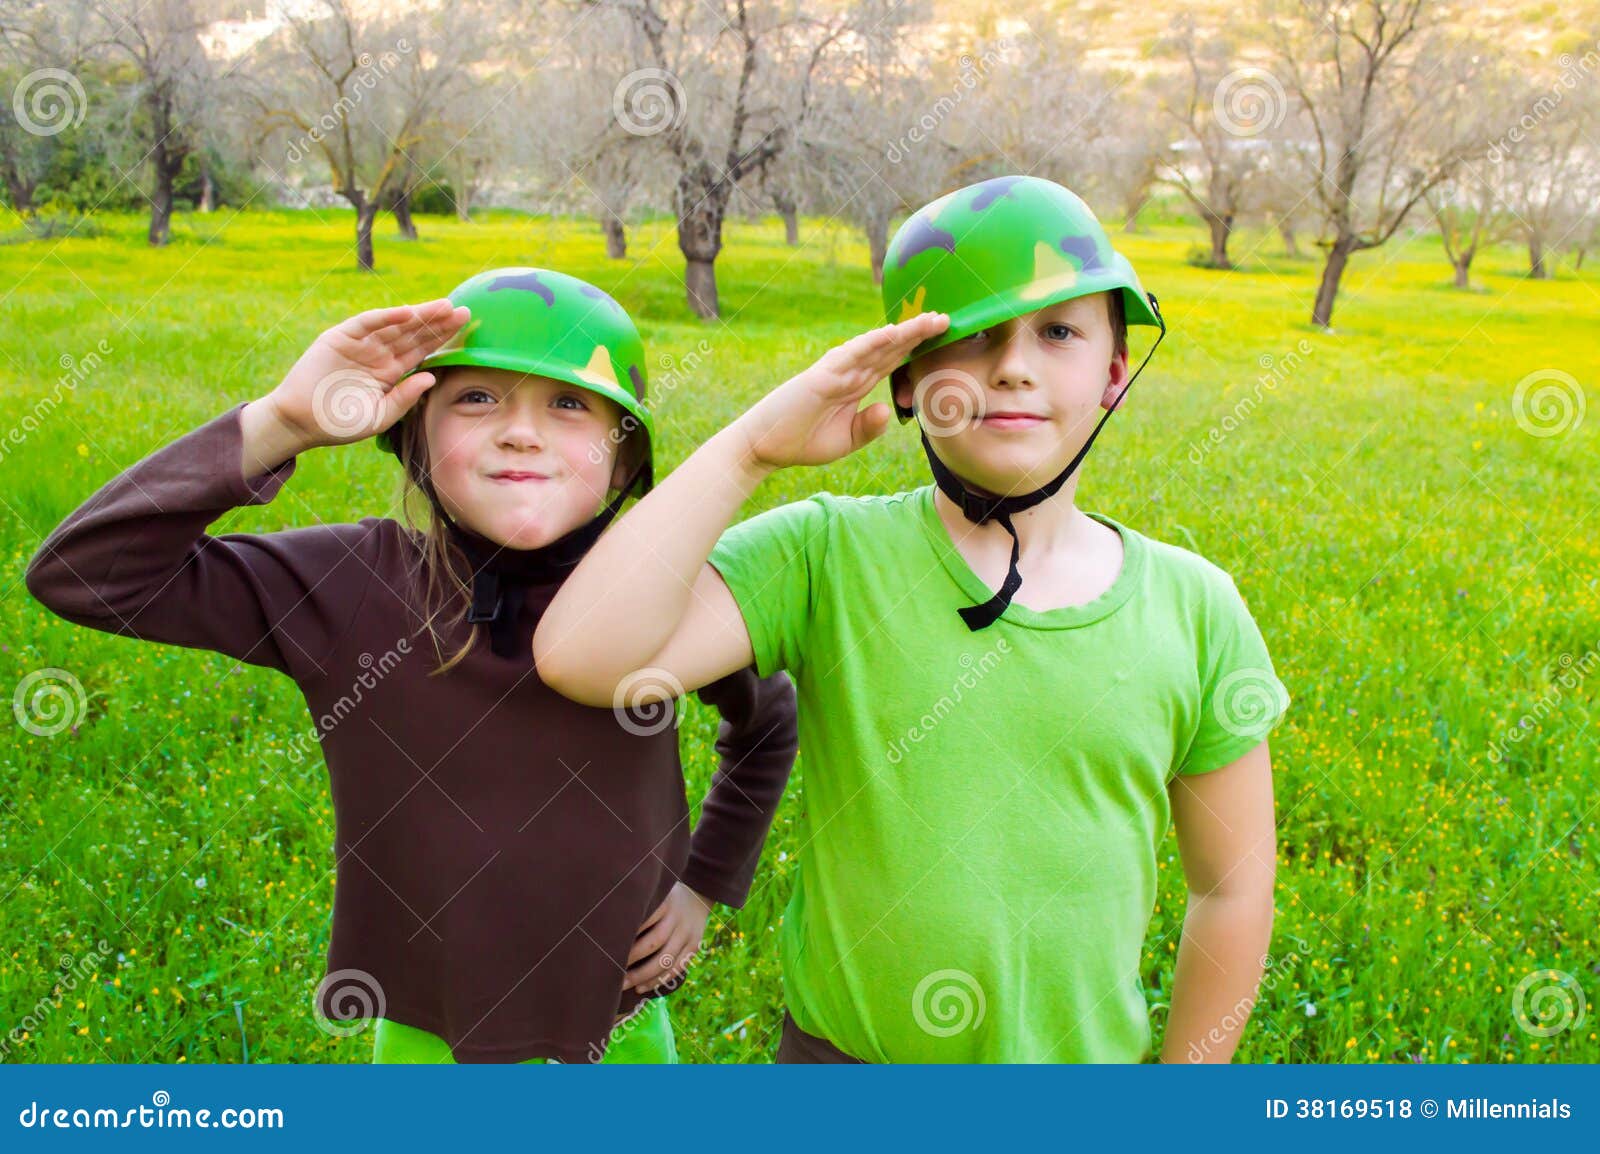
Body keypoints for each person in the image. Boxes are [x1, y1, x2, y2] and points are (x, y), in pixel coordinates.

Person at [532, 177, 1291, 1063]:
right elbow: (583, 656)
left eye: (1058, 332)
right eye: (969, 338)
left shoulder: (1197, 609)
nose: (1012, 366)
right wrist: (751, 451)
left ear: (1115, 371)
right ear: (906, 384)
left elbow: (1233, 890)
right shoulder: (825, 556)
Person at [26, 268, 799, 1064]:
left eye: (569, 405)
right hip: (428, 1033)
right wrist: (284, 421)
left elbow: (769, 719)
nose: (520, 433)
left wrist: (704, 881)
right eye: (476, 399)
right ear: (413, 436)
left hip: (619, 1025)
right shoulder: (352, 584)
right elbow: (84, 574)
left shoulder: (658, 595)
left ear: (625, 457)